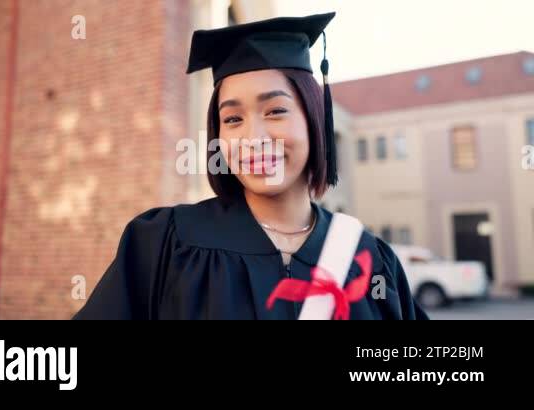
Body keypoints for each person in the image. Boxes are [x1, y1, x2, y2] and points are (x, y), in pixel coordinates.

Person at [74, 12, 428, 320]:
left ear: (314, 120)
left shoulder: (368, 258)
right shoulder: (166, 242)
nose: (253, 137)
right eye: (232, 119)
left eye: (275, 111)